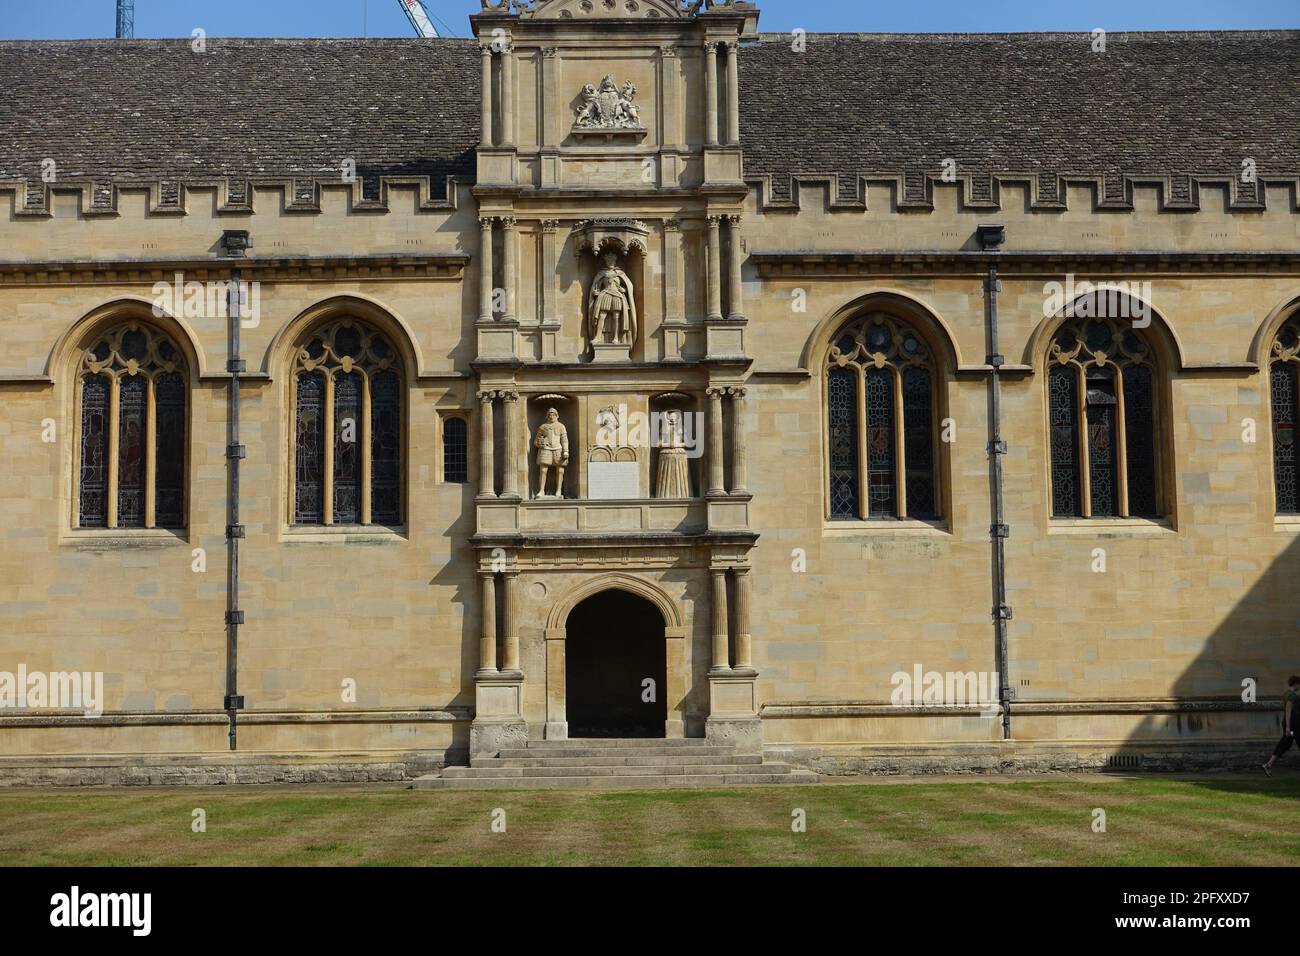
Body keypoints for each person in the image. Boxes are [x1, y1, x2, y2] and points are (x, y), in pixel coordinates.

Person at [1263, 675, 1300, 775]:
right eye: (1299, 684)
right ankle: (1268, 764)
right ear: (1296, 683)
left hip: (1292, 723)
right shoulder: (1291, 695)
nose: (1299, 687)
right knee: (1288, 742)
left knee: (1285, 744)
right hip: (1293, 724)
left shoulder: (1287, 694)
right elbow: (1288, 711)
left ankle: (1269, 764)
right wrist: (1288, 727)